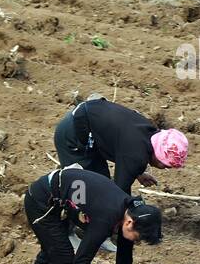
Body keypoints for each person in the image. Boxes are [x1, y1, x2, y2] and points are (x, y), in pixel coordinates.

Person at [16, 166, 162, 264]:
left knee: (52, 251)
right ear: (130, 223)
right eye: (138, 238)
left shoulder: (132, 211)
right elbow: (81, 262)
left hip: (60, 200)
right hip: (42, 200)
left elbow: (124, 254)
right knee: (62, 256)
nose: (137, 242)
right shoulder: (108, 216)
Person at [53, 95, 187, 251]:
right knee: (82, 189)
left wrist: (137, 173)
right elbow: (118, 192)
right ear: (158, 154)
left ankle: (96, 232)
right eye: (165, 164)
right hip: (73, 137)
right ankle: (66, 232)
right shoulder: (136, 155)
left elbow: (123, 146)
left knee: (100, 183)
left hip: (91, 133)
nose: (164, 168)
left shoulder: (149, 133)